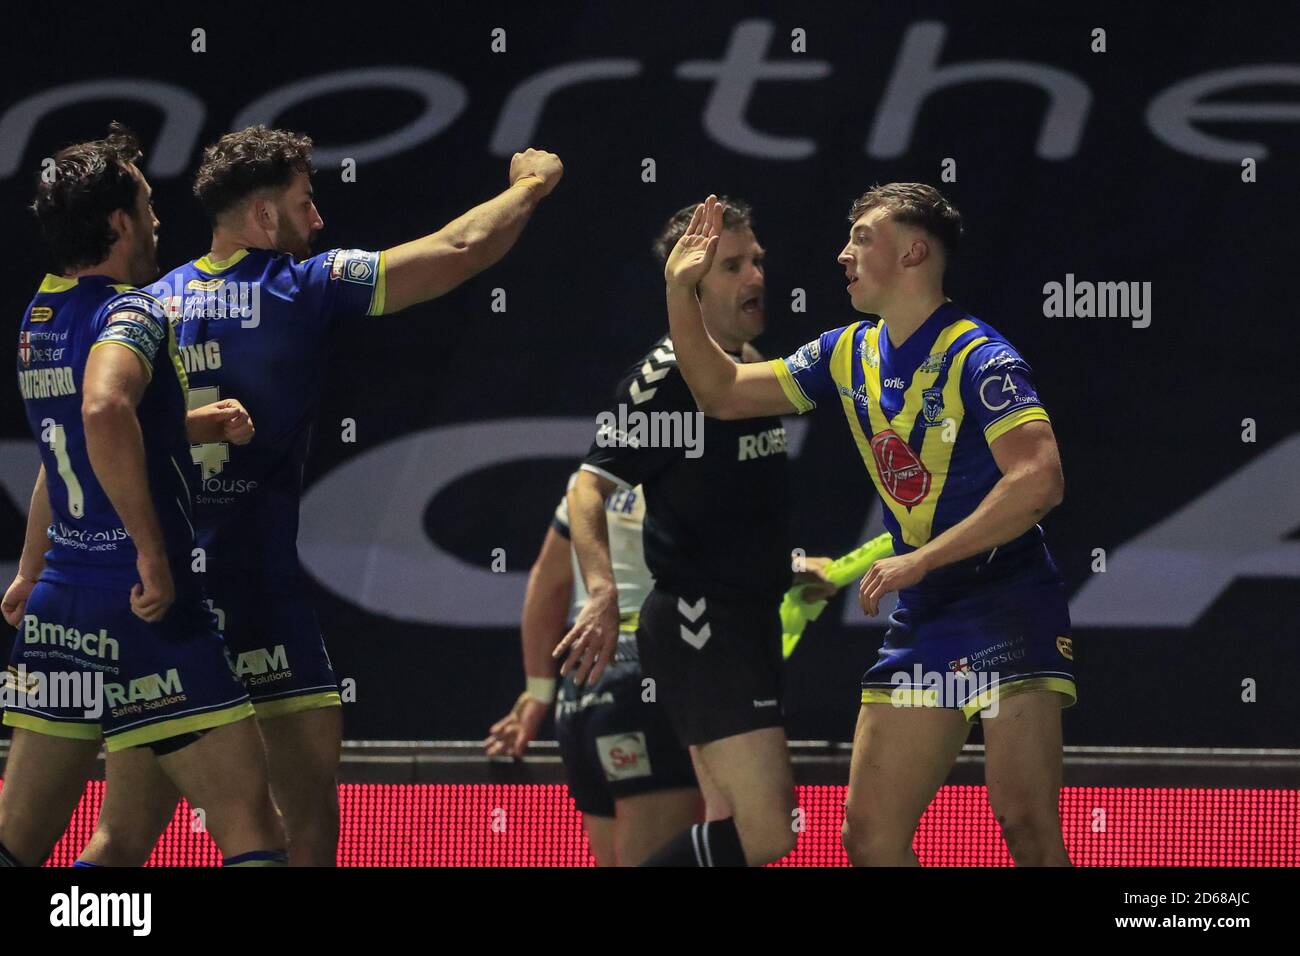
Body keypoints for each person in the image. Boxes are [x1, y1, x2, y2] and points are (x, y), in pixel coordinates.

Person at [76, 126, 563, 866]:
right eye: (306, 204)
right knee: (304, 833)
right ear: (266, 218)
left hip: (164, 605)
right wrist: (529, 186)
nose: (319, 221)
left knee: (119, 841)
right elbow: (461, 250)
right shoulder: (305, 286)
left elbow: (92, 433)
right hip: (261, 600)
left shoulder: (146, 306)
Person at [655, 189, 1075, 866]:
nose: (842, 254)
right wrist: (680, 292)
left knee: (1025, 822)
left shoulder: (982, 358)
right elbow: (722, 392)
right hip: (928, 614)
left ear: (913, 251)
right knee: (870, 839)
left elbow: (1038, 482)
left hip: (1008, 604)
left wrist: (922, 559)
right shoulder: (845, 353)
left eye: (862, 237)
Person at [0, 123, 286, 867]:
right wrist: (154, 552)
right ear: (121, 221)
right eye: (148, 202)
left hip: (60, 607)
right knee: (250, 824)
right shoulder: (134, 311)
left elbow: (70, 444)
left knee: (19, 840)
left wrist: (30, 570)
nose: (160, 218)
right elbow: (102, 410)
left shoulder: (41, 314)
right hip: (144, 610)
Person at [555, 200, 834, 867]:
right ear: (691, 284)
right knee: (770, 832)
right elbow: (587, 486)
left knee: (731, 822)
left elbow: (726, 500)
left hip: (746, 614)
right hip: (700, 624)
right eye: (732, 265)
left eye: (757, 260)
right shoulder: (661, 383)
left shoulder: (745, 364)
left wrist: (785, 568)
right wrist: (598, 592)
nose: (755, 276)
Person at [486, 477, 701, 866]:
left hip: (583, 686)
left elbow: (548, 584)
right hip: (647, 680)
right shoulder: (692, 468)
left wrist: (538, 692)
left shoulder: (585, 482)